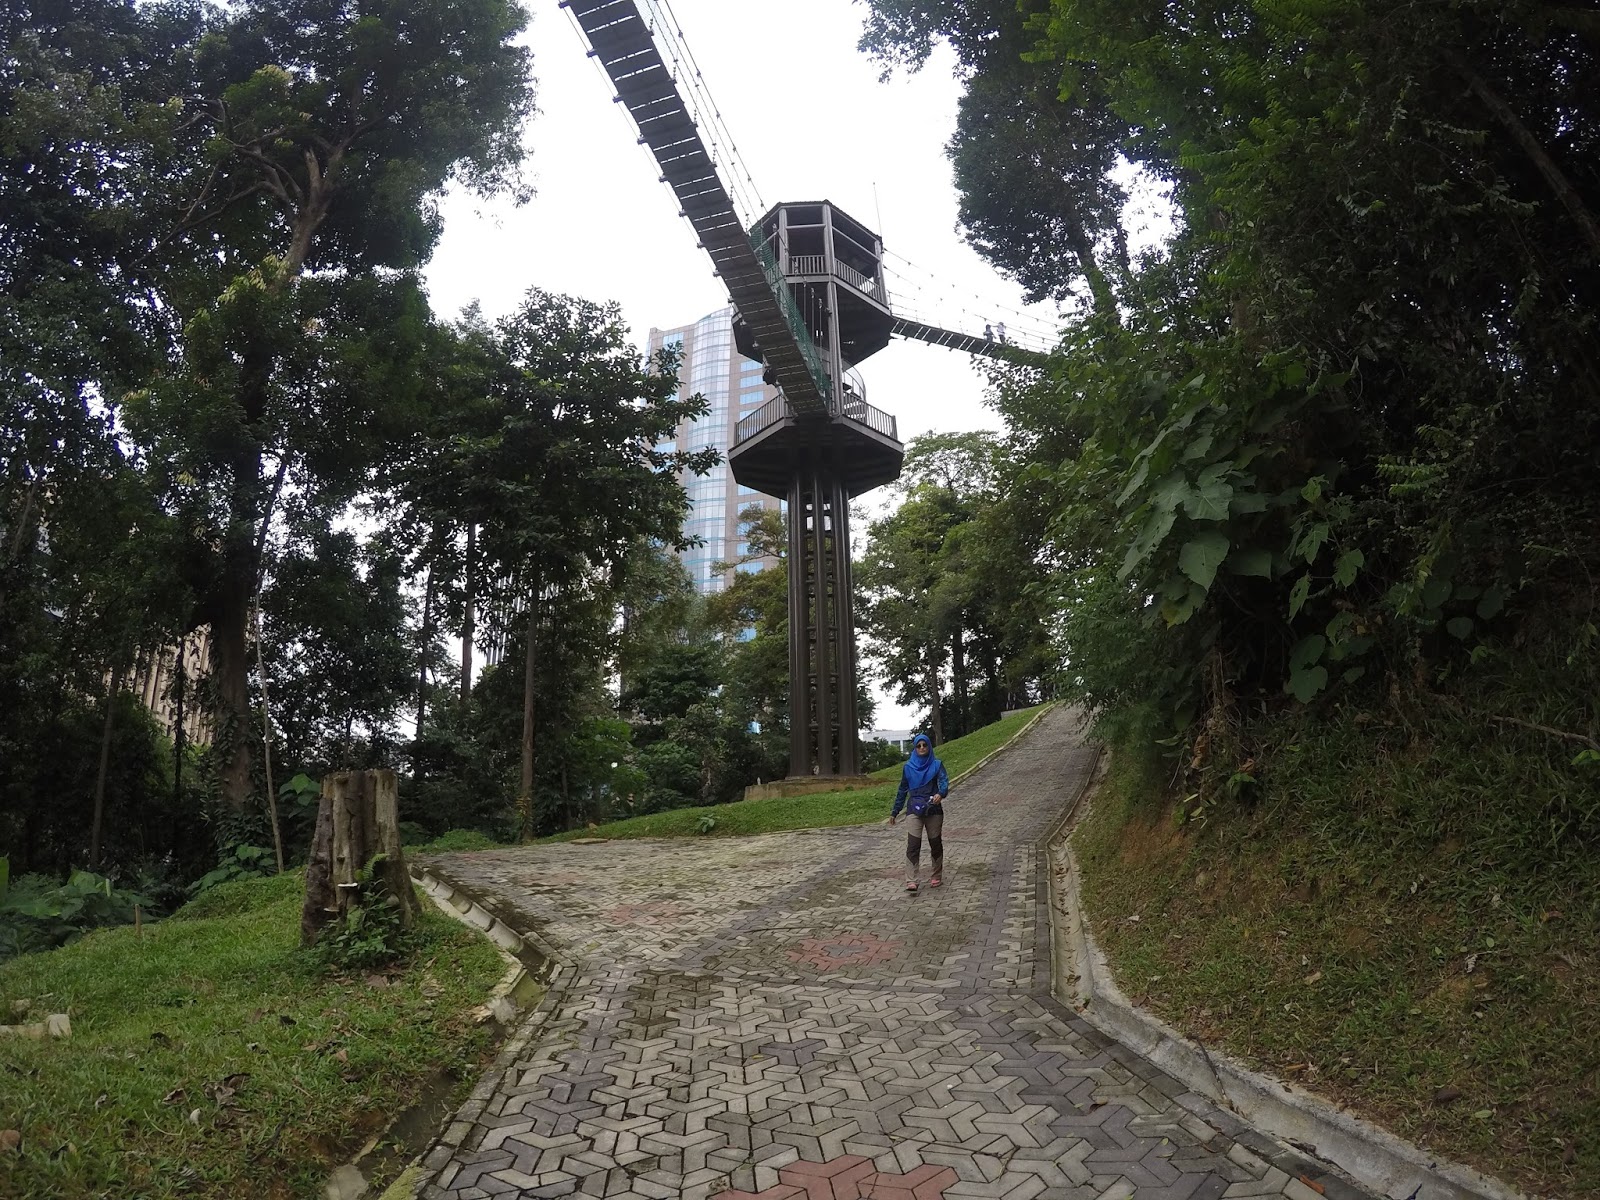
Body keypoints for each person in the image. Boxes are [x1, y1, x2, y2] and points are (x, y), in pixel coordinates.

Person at [889, 733, 949, 892]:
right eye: (918, 746)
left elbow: (944, 782)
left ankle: (936, 875)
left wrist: (940, 793)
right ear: (915, 748)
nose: (922, 748)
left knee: (935, 843)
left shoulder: (937, 765)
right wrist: (895, 811)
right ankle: (912, 880)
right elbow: (902, 790)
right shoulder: (908, 768)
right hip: (914, 809)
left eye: (925, 745)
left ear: (929, 746)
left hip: (933, 809)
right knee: (913, 844)